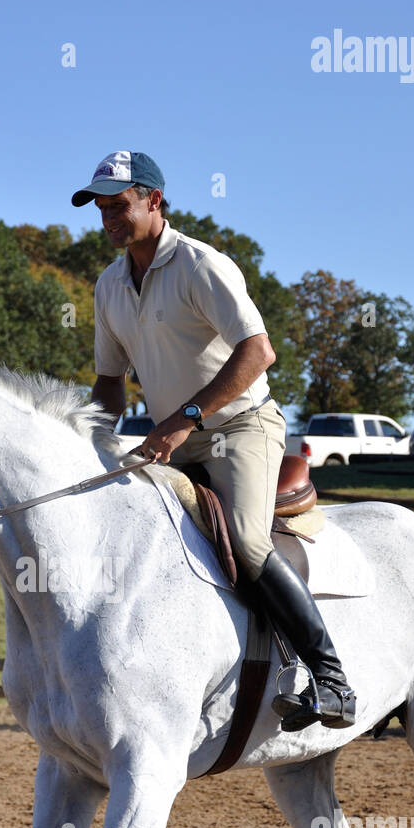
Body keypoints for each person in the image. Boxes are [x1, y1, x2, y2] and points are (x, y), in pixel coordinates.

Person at [71, 150, 356, 731]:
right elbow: (108, 386)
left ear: (154, 200)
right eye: (101, 207)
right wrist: (87, 445)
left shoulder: (202, 265)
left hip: (239, 428)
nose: (108, 217)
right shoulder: (108, 286)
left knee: (248, 543)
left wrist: (183, 418)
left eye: (119, 205)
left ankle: (332, 682)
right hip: (173, 439)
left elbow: (259, 352)